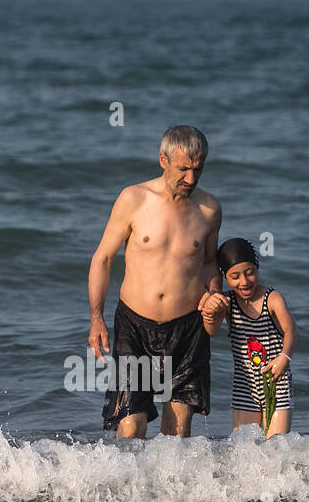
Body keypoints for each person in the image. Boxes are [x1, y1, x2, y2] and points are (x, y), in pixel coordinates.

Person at [88, 124, 223, 437]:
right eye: (184, 169)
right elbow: (102, 258)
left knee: (177, 430)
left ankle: (168, 489)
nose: (191, 178)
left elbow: (209, 264)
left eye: (198, 170)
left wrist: (214, 295)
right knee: (131, 422)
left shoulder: (210, 210)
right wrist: (96, 319)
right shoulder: (133, 199)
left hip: (189, 328)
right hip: (135, 325)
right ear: (163, 160)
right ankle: (126, 488)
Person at [201, 238, 297, 438]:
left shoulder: (272, 299)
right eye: (235, 276)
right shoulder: (227, 303)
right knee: (242, 447)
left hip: (276, 381)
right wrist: (210, 313)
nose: (244, 281)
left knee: (276, 445)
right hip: (244, 384)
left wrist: (284, 358)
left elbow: (291, 330)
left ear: (257, 269)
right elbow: (211, 330)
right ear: (224, 276)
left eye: (250, 272)